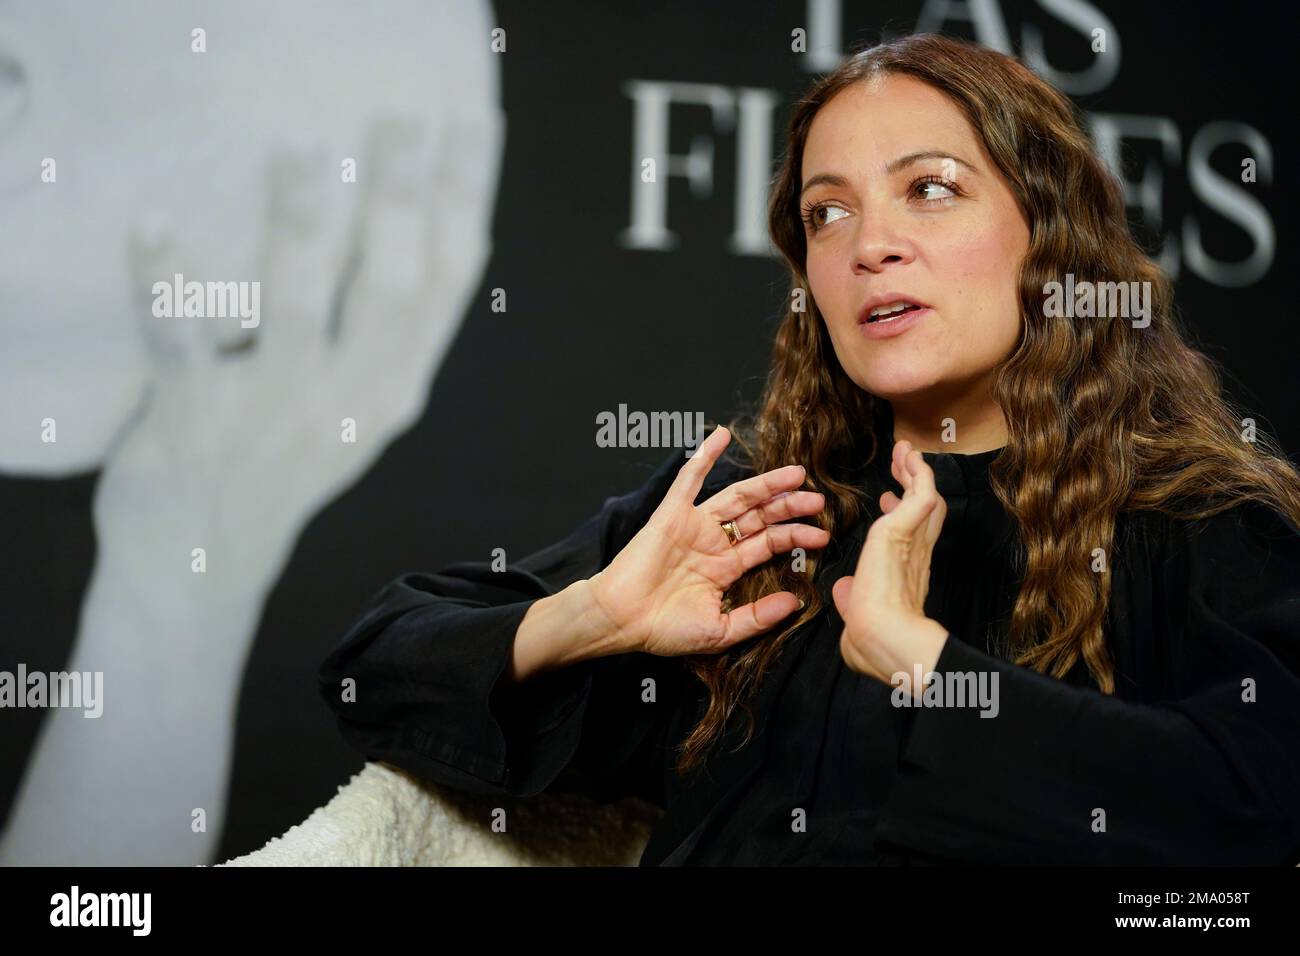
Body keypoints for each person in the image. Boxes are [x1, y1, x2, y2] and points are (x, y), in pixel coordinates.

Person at [318, 33, 1300, 866]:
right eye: (828, 212)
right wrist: (594, 614)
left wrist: (924, 663)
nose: (869, 243)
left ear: (1050, 235)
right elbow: (371, 666)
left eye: (929, 189)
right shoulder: (749, 514)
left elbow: (1256, 799)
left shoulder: (1193, 520)